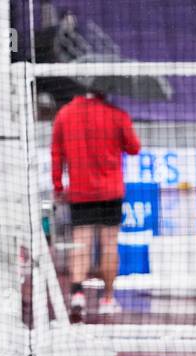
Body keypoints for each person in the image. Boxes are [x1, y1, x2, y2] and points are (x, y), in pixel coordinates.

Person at [51, 83, 141, 318]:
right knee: (109, 245)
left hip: (80, 193)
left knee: (81, 243)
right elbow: (134, 148)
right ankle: (108, 298)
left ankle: (77, 293)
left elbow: (56, 153)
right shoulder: (116, 114)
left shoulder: (65, 114)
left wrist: (58, 185)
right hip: (110, 193)